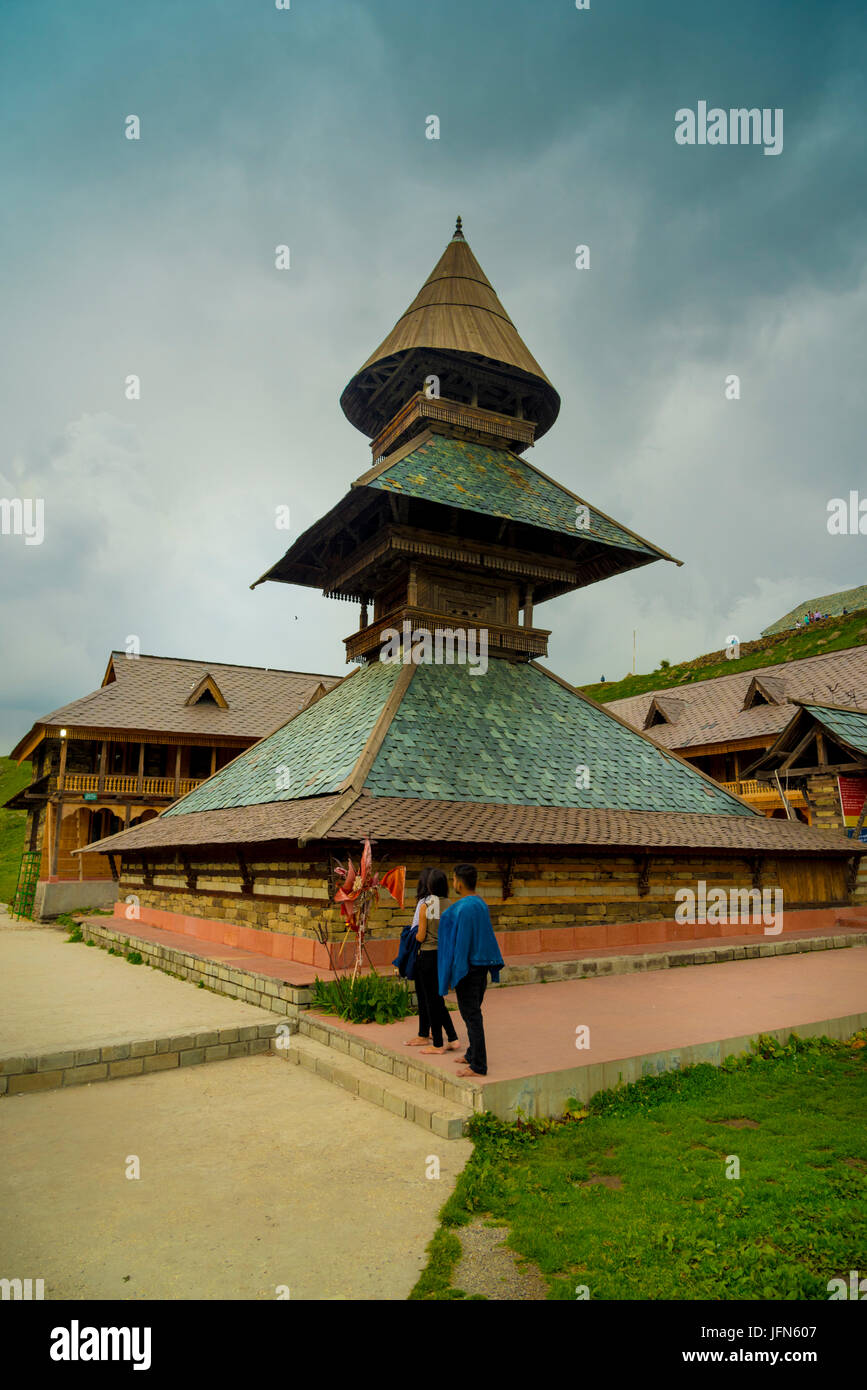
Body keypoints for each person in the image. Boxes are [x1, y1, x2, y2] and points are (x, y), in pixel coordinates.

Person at [438, 863, 504, 1078]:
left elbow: (462, 943)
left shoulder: (464, 908)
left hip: (468, 968)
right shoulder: (480, 903)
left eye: (453, 879)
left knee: (472, 1015)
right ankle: (471, 1053)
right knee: (471, 1013)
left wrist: (454, 971)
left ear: (458, 881)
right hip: (480, 966)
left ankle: (478, 1065)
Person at [415, 868, 460, 1056]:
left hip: (428, 954)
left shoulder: (427, 905)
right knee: (438, 998)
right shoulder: (452, 905)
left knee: (431, 1000)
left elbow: (421, 936)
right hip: (445, 955)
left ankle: (438, 1044)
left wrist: (414, 937)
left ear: (430, 885)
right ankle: (452, 1037)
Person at [394, 869, 432, 1047]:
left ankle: (424, 1034)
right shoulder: (441, 902)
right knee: (433, 995)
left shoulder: (424, 903)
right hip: (438, 953)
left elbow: (419, 934)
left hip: (424, 953)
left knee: (423, 994)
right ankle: (434, 1030)